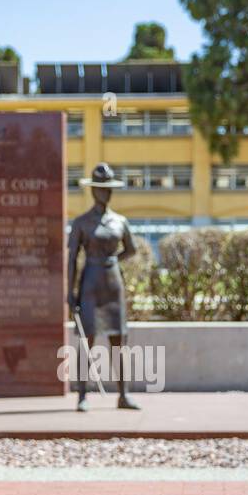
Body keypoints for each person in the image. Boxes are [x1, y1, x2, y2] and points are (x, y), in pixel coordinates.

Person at [67, 162, 141, 411]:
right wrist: (70, 293)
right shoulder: (81, 223)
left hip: (113, 284)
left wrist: (111, 260)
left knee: (119, 340)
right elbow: (72, 260)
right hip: (90, 284)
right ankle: (82, 395)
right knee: (87, 341)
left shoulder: (120, 221)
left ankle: (123, 394)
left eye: (109, 188)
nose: (105, 193)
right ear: (93, 191)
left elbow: (131, 249)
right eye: (101, 188)